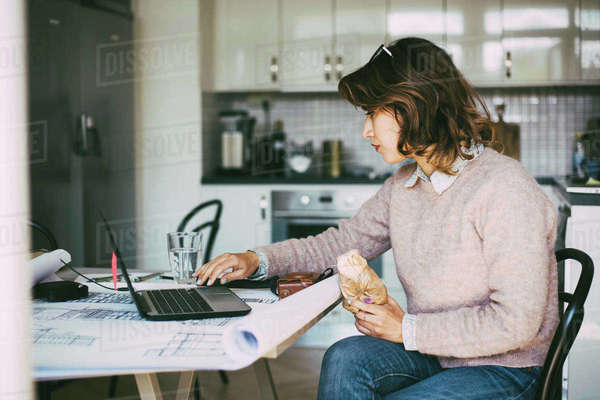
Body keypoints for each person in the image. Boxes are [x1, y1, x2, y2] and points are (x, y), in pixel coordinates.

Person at [193, 37, 558, 399]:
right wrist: (258, 259)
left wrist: (408, 329)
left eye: (373, 112)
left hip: (507, 368)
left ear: (413, 106)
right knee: (344, 357)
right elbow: (338, 244)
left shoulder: (505, 187)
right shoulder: (406, 184)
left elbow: (516, 322)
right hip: (437, 354)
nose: (366, 130)